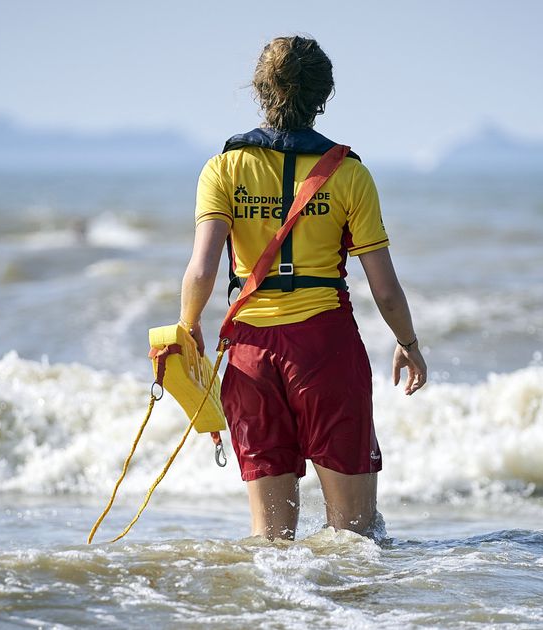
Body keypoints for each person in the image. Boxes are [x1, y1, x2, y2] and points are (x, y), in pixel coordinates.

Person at [178, 35, 427, 540]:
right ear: (323, 96)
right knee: (355, 536)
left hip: (249, 354)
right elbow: (386, 289)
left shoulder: (223, 168)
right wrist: (409, 343)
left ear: (260, 90)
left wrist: (188, 329)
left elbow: (203, 271)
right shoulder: (350, 174)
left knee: (270, 540)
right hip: (325, 349)